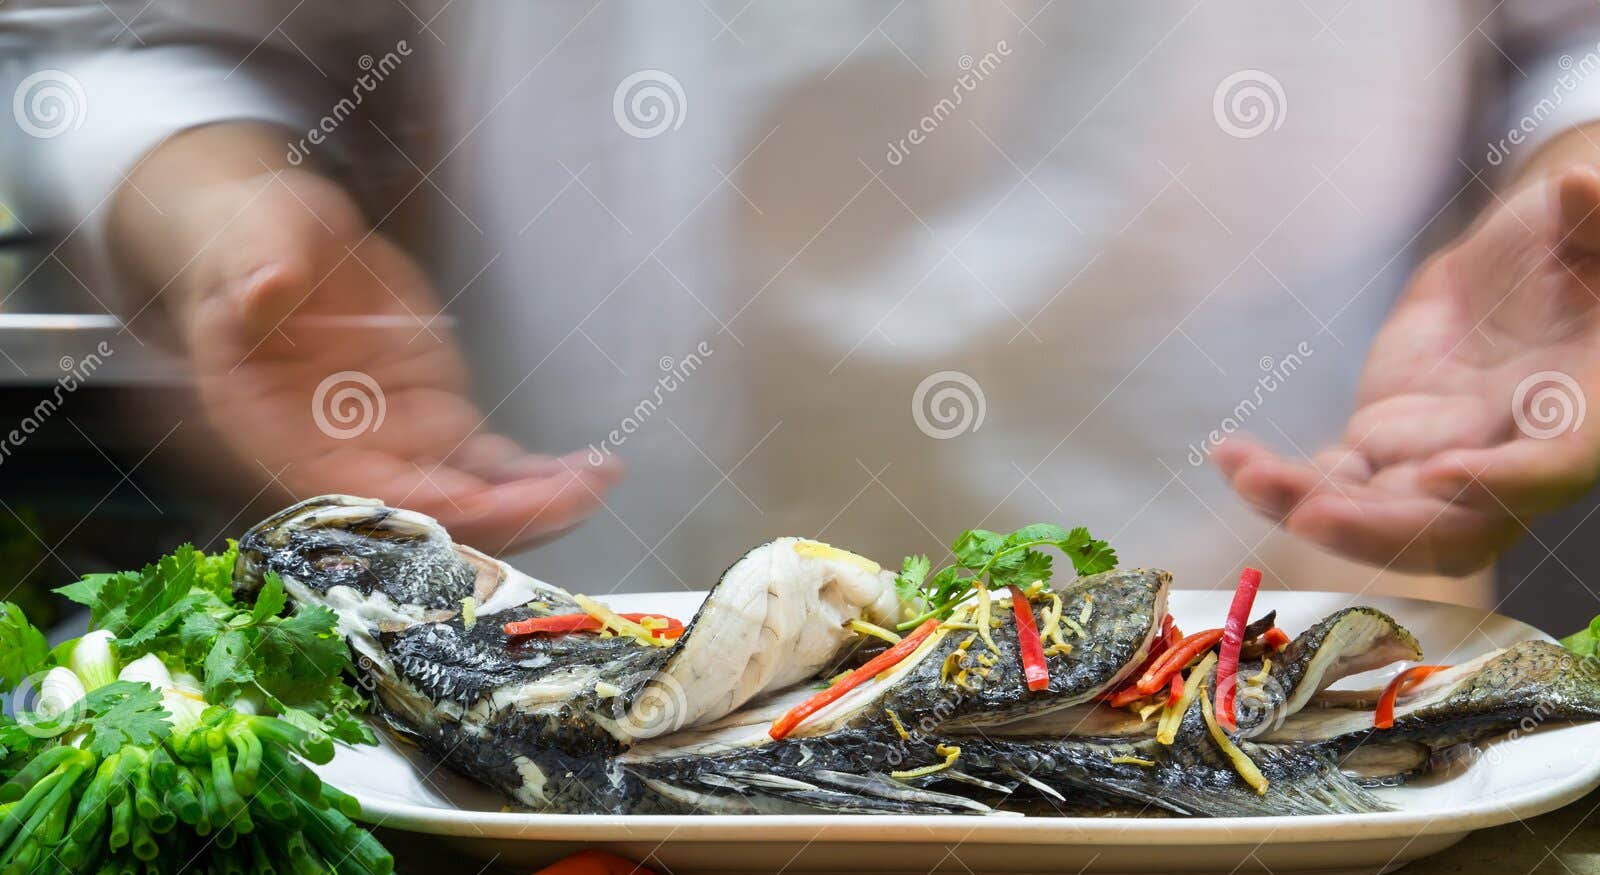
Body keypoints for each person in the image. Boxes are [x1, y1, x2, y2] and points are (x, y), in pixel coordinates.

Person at [6, 1, 1600, 602]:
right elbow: (162, 46)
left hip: (1288, 638)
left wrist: (1577, 189)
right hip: (578, 647)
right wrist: (216, 202)